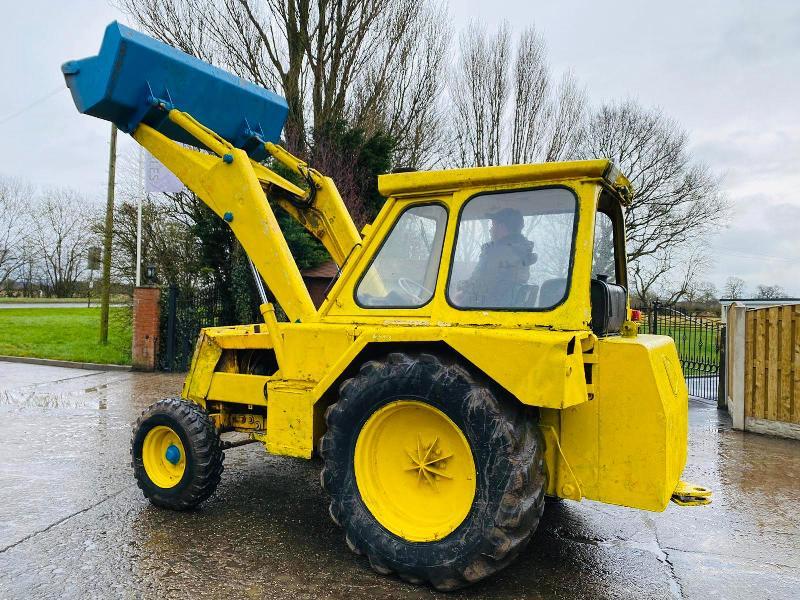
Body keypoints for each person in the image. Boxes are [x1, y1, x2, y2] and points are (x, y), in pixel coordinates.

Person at [456, 207, 537, 307]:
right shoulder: (519, 252)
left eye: (493, 225)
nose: (490, 230)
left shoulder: (497, 253)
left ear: (502, 227)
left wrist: (461, 298)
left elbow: (480, 286)